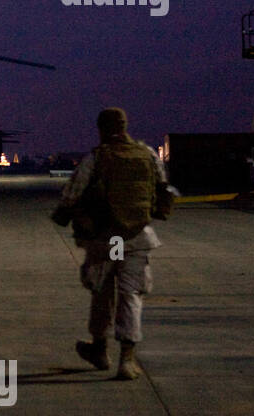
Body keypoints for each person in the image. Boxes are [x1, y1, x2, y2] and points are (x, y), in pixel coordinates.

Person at [52, 108, 172, 380]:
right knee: (131, 296)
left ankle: (100, 349)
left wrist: (65, 215)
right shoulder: (148, 154)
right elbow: (163, 188)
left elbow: (73, 192)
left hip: (105, 239)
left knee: (102, 293)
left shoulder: (97, 157)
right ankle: (126, 361)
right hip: (137, 238)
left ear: (102, 128)